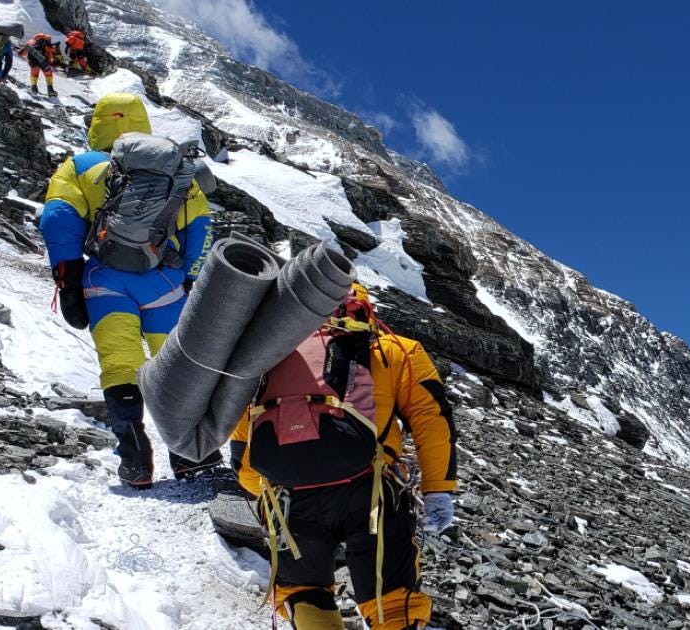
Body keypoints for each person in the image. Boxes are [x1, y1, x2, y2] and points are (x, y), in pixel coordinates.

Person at [229, 283, 458, 630]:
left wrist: (258, 485)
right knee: (392, 601)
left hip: (290, 495)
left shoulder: (274, 354)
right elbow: (433, 419)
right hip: (372, 491)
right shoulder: (395, 349)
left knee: (303, 592)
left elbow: (243, 429)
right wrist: (437, 489)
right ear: (364, 310)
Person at [39, 93, 219, 488]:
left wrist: (68, 279)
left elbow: (57, 218)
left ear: (97, 125)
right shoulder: (175, 168)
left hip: (106, 281)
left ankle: (135, 462)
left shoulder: (80, 166)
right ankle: (193, 457)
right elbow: (201, 226)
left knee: (120, 365)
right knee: (174, 368)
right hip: (165, 282)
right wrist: (189, 276)